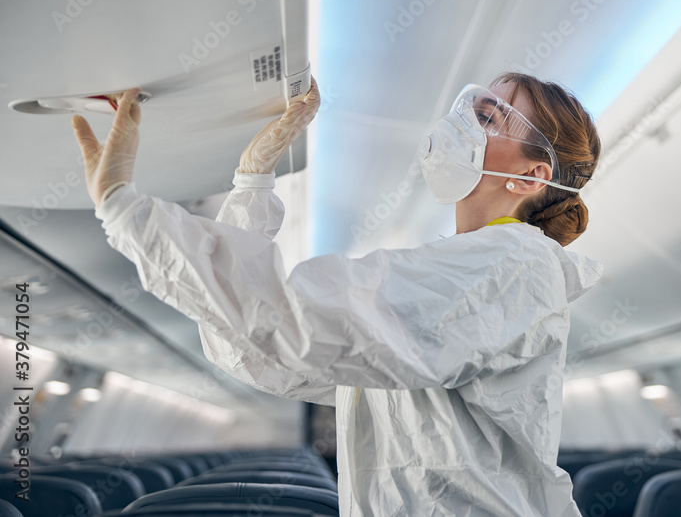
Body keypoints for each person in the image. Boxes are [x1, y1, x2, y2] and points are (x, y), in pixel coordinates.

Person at [71, 71, 603, 516]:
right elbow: (256, 351)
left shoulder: (512, 266)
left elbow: (296, 318)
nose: (462, 120)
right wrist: (252, 186)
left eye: (489, 117)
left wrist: (128, 211)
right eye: (473, 105)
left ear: (532, 177)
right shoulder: (468, 270)